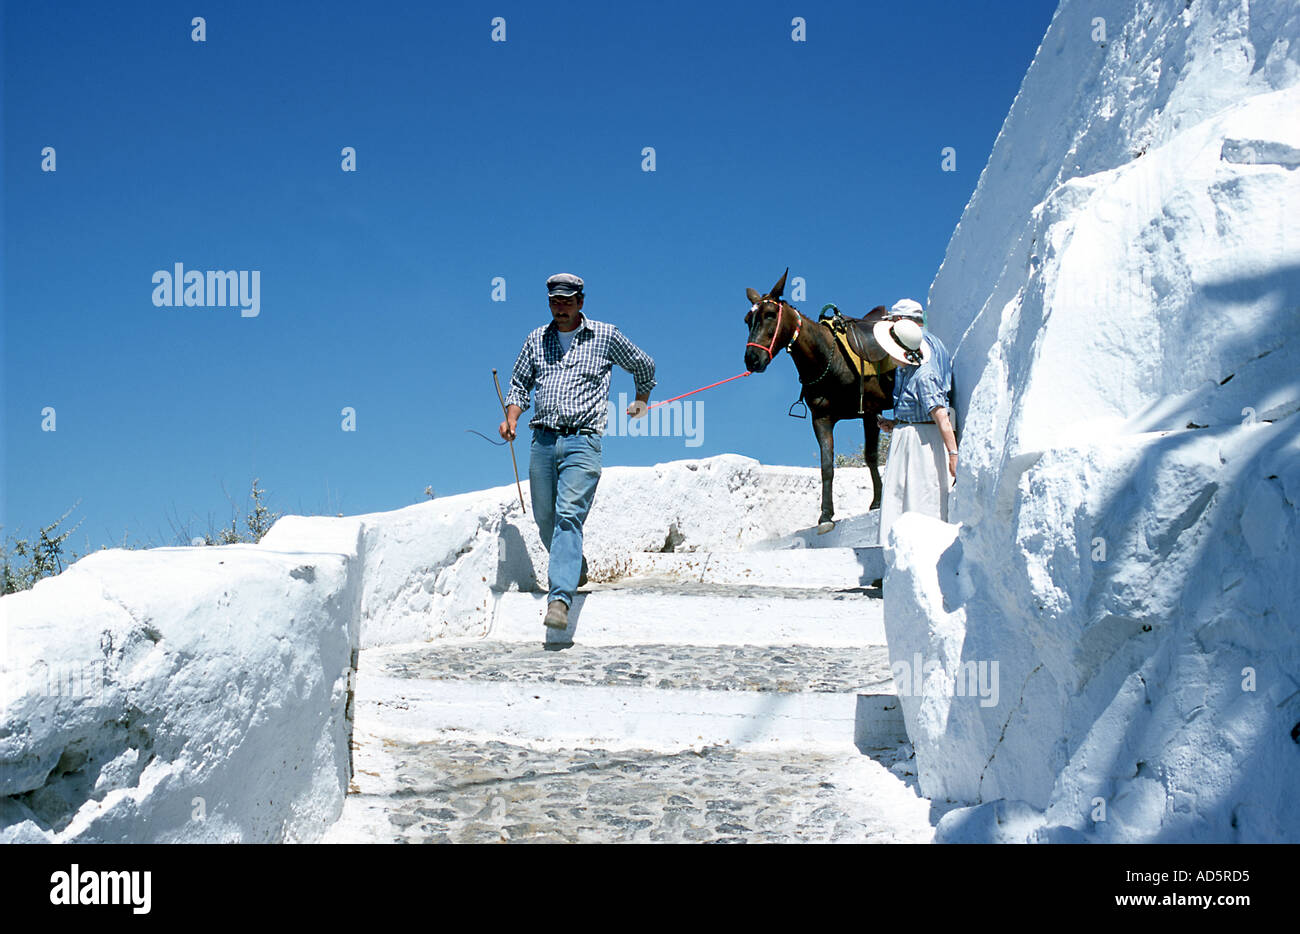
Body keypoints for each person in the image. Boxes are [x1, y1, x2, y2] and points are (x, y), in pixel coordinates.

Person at [499, 273, 656, 630]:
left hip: (583, 441)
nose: (561, 308)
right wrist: (512, 419)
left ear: (581, 302)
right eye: (555, 302)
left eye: (568, 302)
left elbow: (644, 365)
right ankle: (574, 566)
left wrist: (641, 400)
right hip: (542, 441)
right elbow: (519, 383)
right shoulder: (536, 340)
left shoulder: (605, 335)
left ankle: (559, 600)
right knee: (545, 518)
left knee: (568, 515)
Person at [873, 299, 957, 549]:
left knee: (919, 498)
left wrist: (953, 453)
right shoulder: (923, 347)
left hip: (923, 439)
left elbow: (939, 411)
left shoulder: (923, 359)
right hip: (911, 432)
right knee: (901, 497)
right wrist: (896, 422)